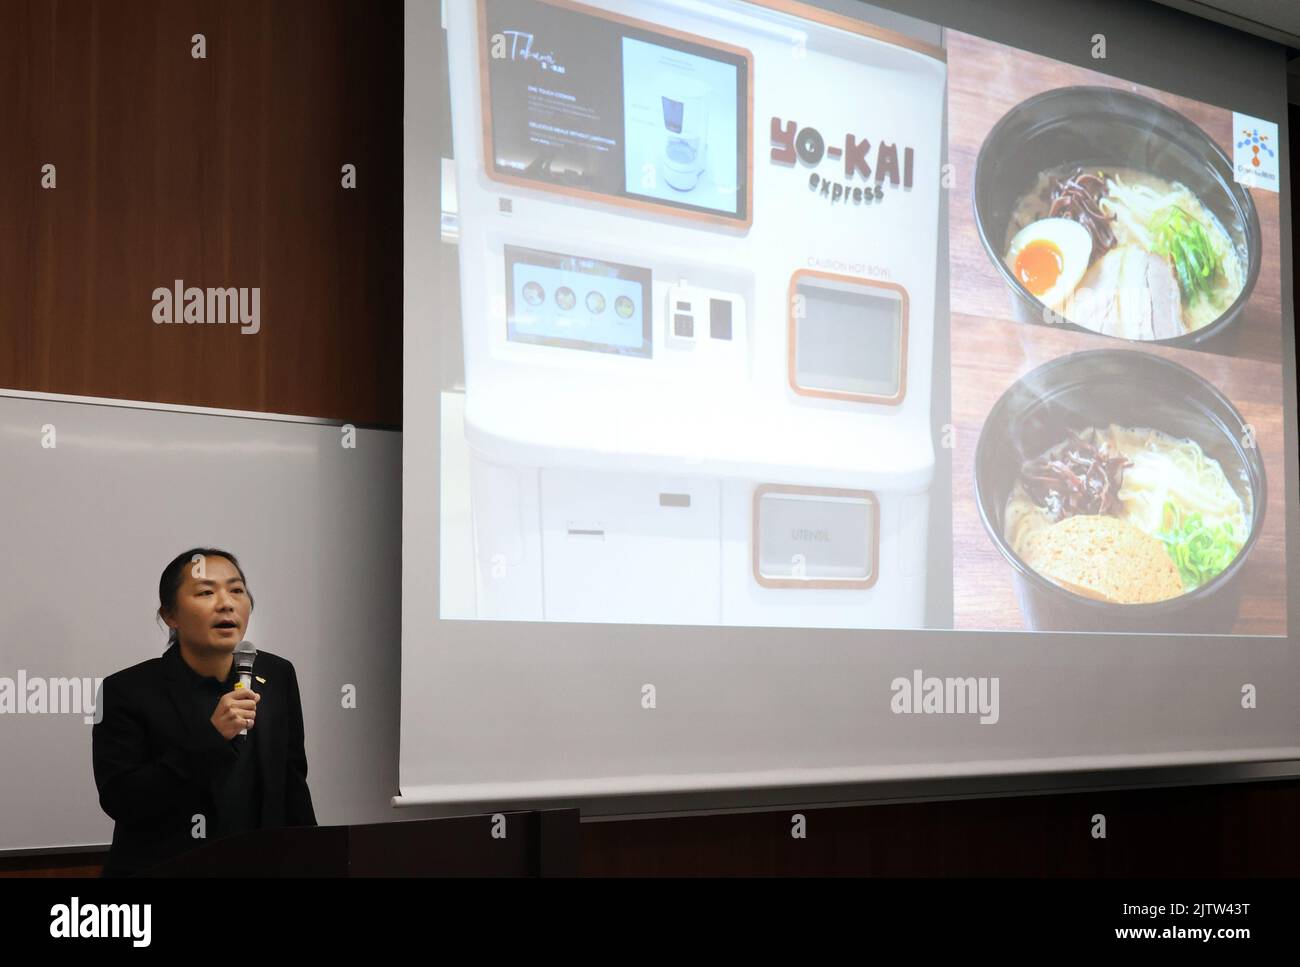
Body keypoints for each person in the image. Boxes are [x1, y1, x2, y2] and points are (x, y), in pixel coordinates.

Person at [92, 547, 316, 876]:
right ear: (170, 615)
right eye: (206, 592)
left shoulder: (277, 675)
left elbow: (293, 783)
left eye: (237, 590)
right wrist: (211, 739)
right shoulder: (125, 691)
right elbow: (122, 801)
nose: (226, 603)